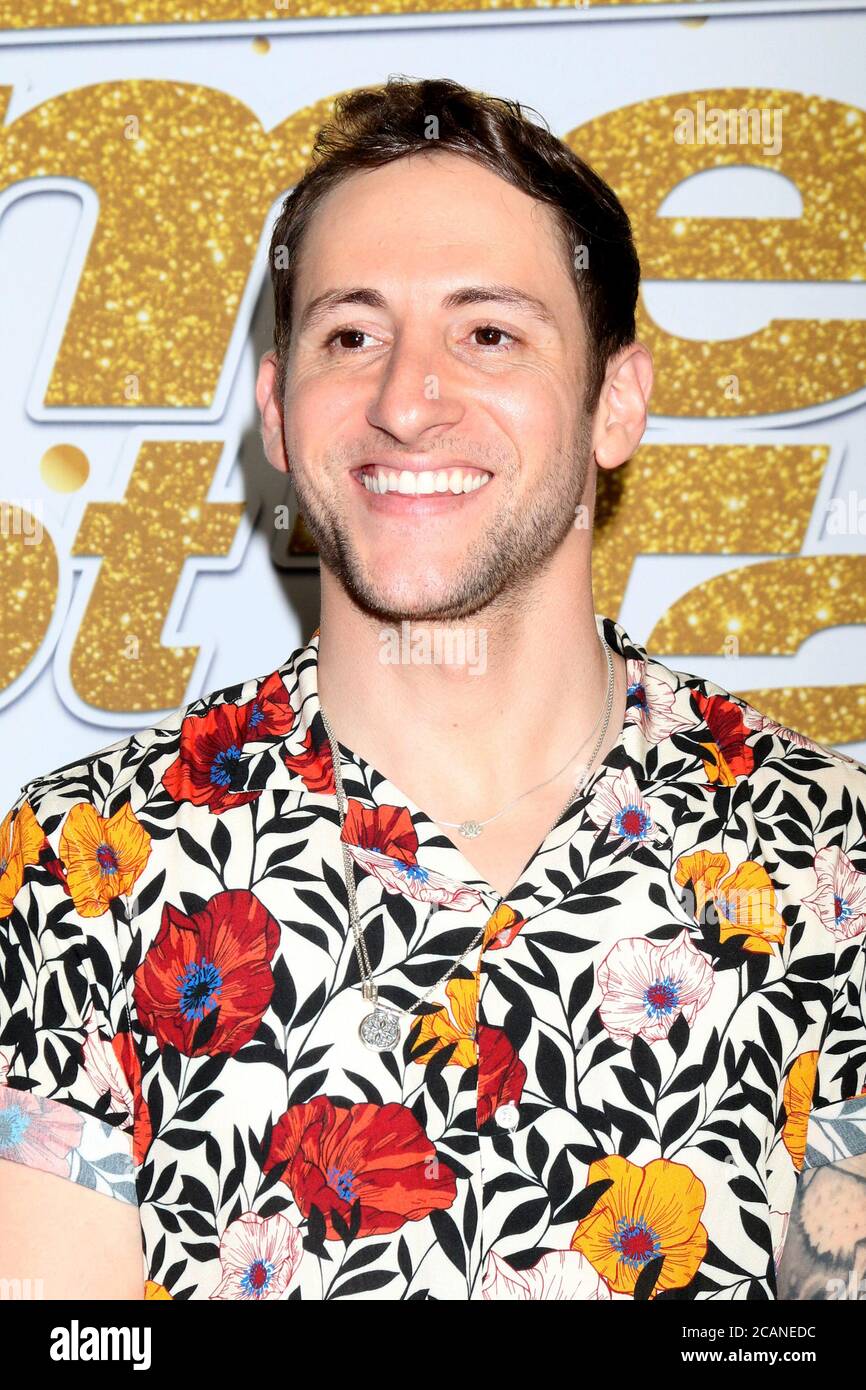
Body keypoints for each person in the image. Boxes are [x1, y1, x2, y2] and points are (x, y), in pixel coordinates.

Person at [1, 76, 864, 1302]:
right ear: (276, 411)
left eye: (488, 333)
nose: (406, 402)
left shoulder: (824, 852)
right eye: (351, 334)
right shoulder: (80, 863)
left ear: (614, 400)